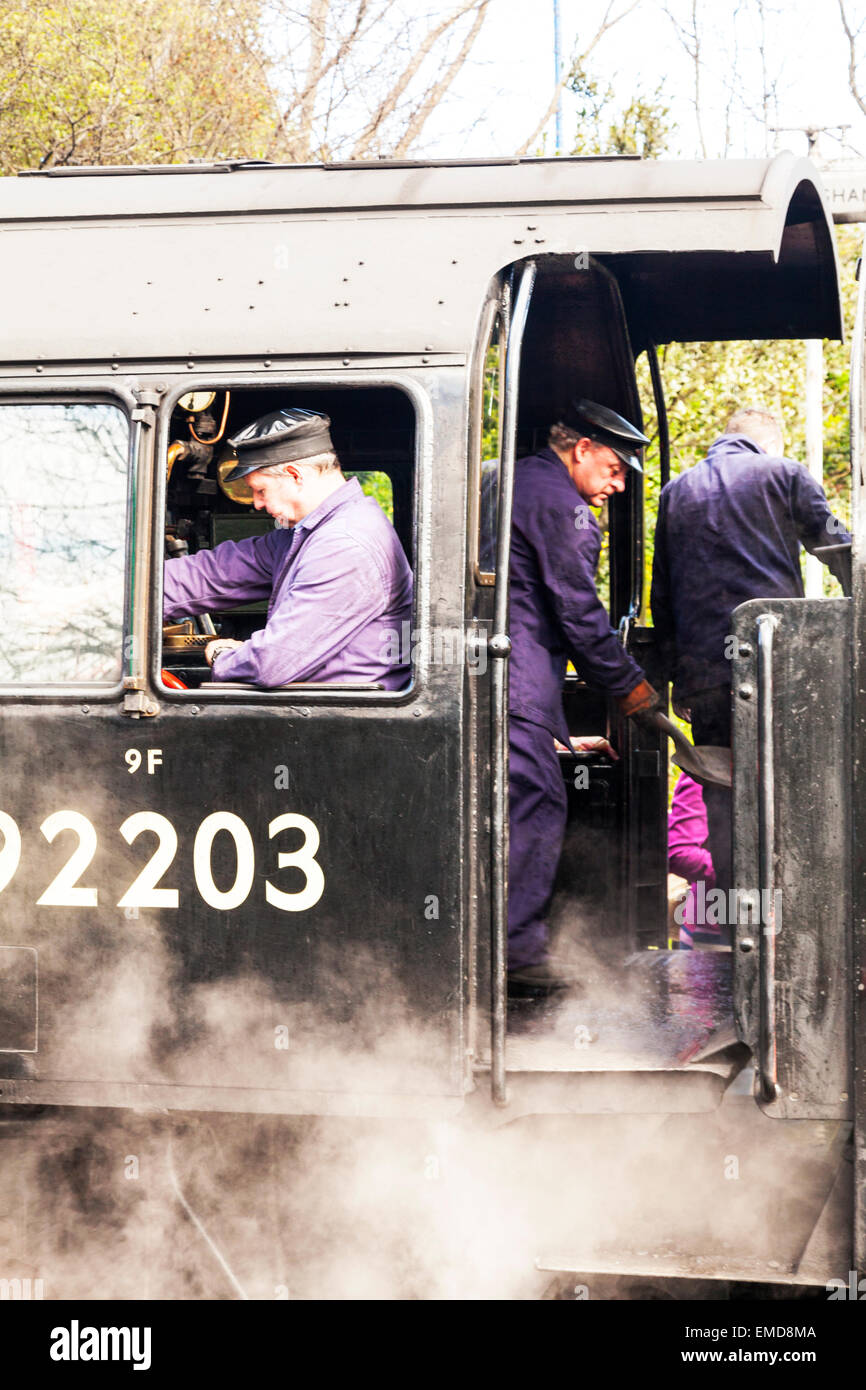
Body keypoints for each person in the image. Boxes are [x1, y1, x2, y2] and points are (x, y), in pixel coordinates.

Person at [651, 405, 851, 900]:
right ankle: (789, 922)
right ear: (770, 443)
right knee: (789, 790)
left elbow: (663, 594)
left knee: (723, 795)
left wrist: (674, 681)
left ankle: (738, 924)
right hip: (776, 666)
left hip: (707, 678)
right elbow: (836, 549)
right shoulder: (784, 473)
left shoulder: (676, 492)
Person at [507, 399, 659, 995]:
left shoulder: (513, 479)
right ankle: (517, 955)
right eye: (616, 469)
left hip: (505, 678)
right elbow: (577, 610)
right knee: (536, 803)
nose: (617, 487)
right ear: (583, 449)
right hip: (518, 673)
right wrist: (630, 688)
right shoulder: (564, 505)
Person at [163, 407, 413, 688]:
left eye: (260, 490)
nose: (256, 504)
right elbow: (216, 573)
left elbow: (272, 662)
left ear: (295, 475)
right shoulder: (309, 533)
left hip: (342, 720)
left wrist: (224, 655)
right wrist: (128, 594)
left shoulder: (344, 544)